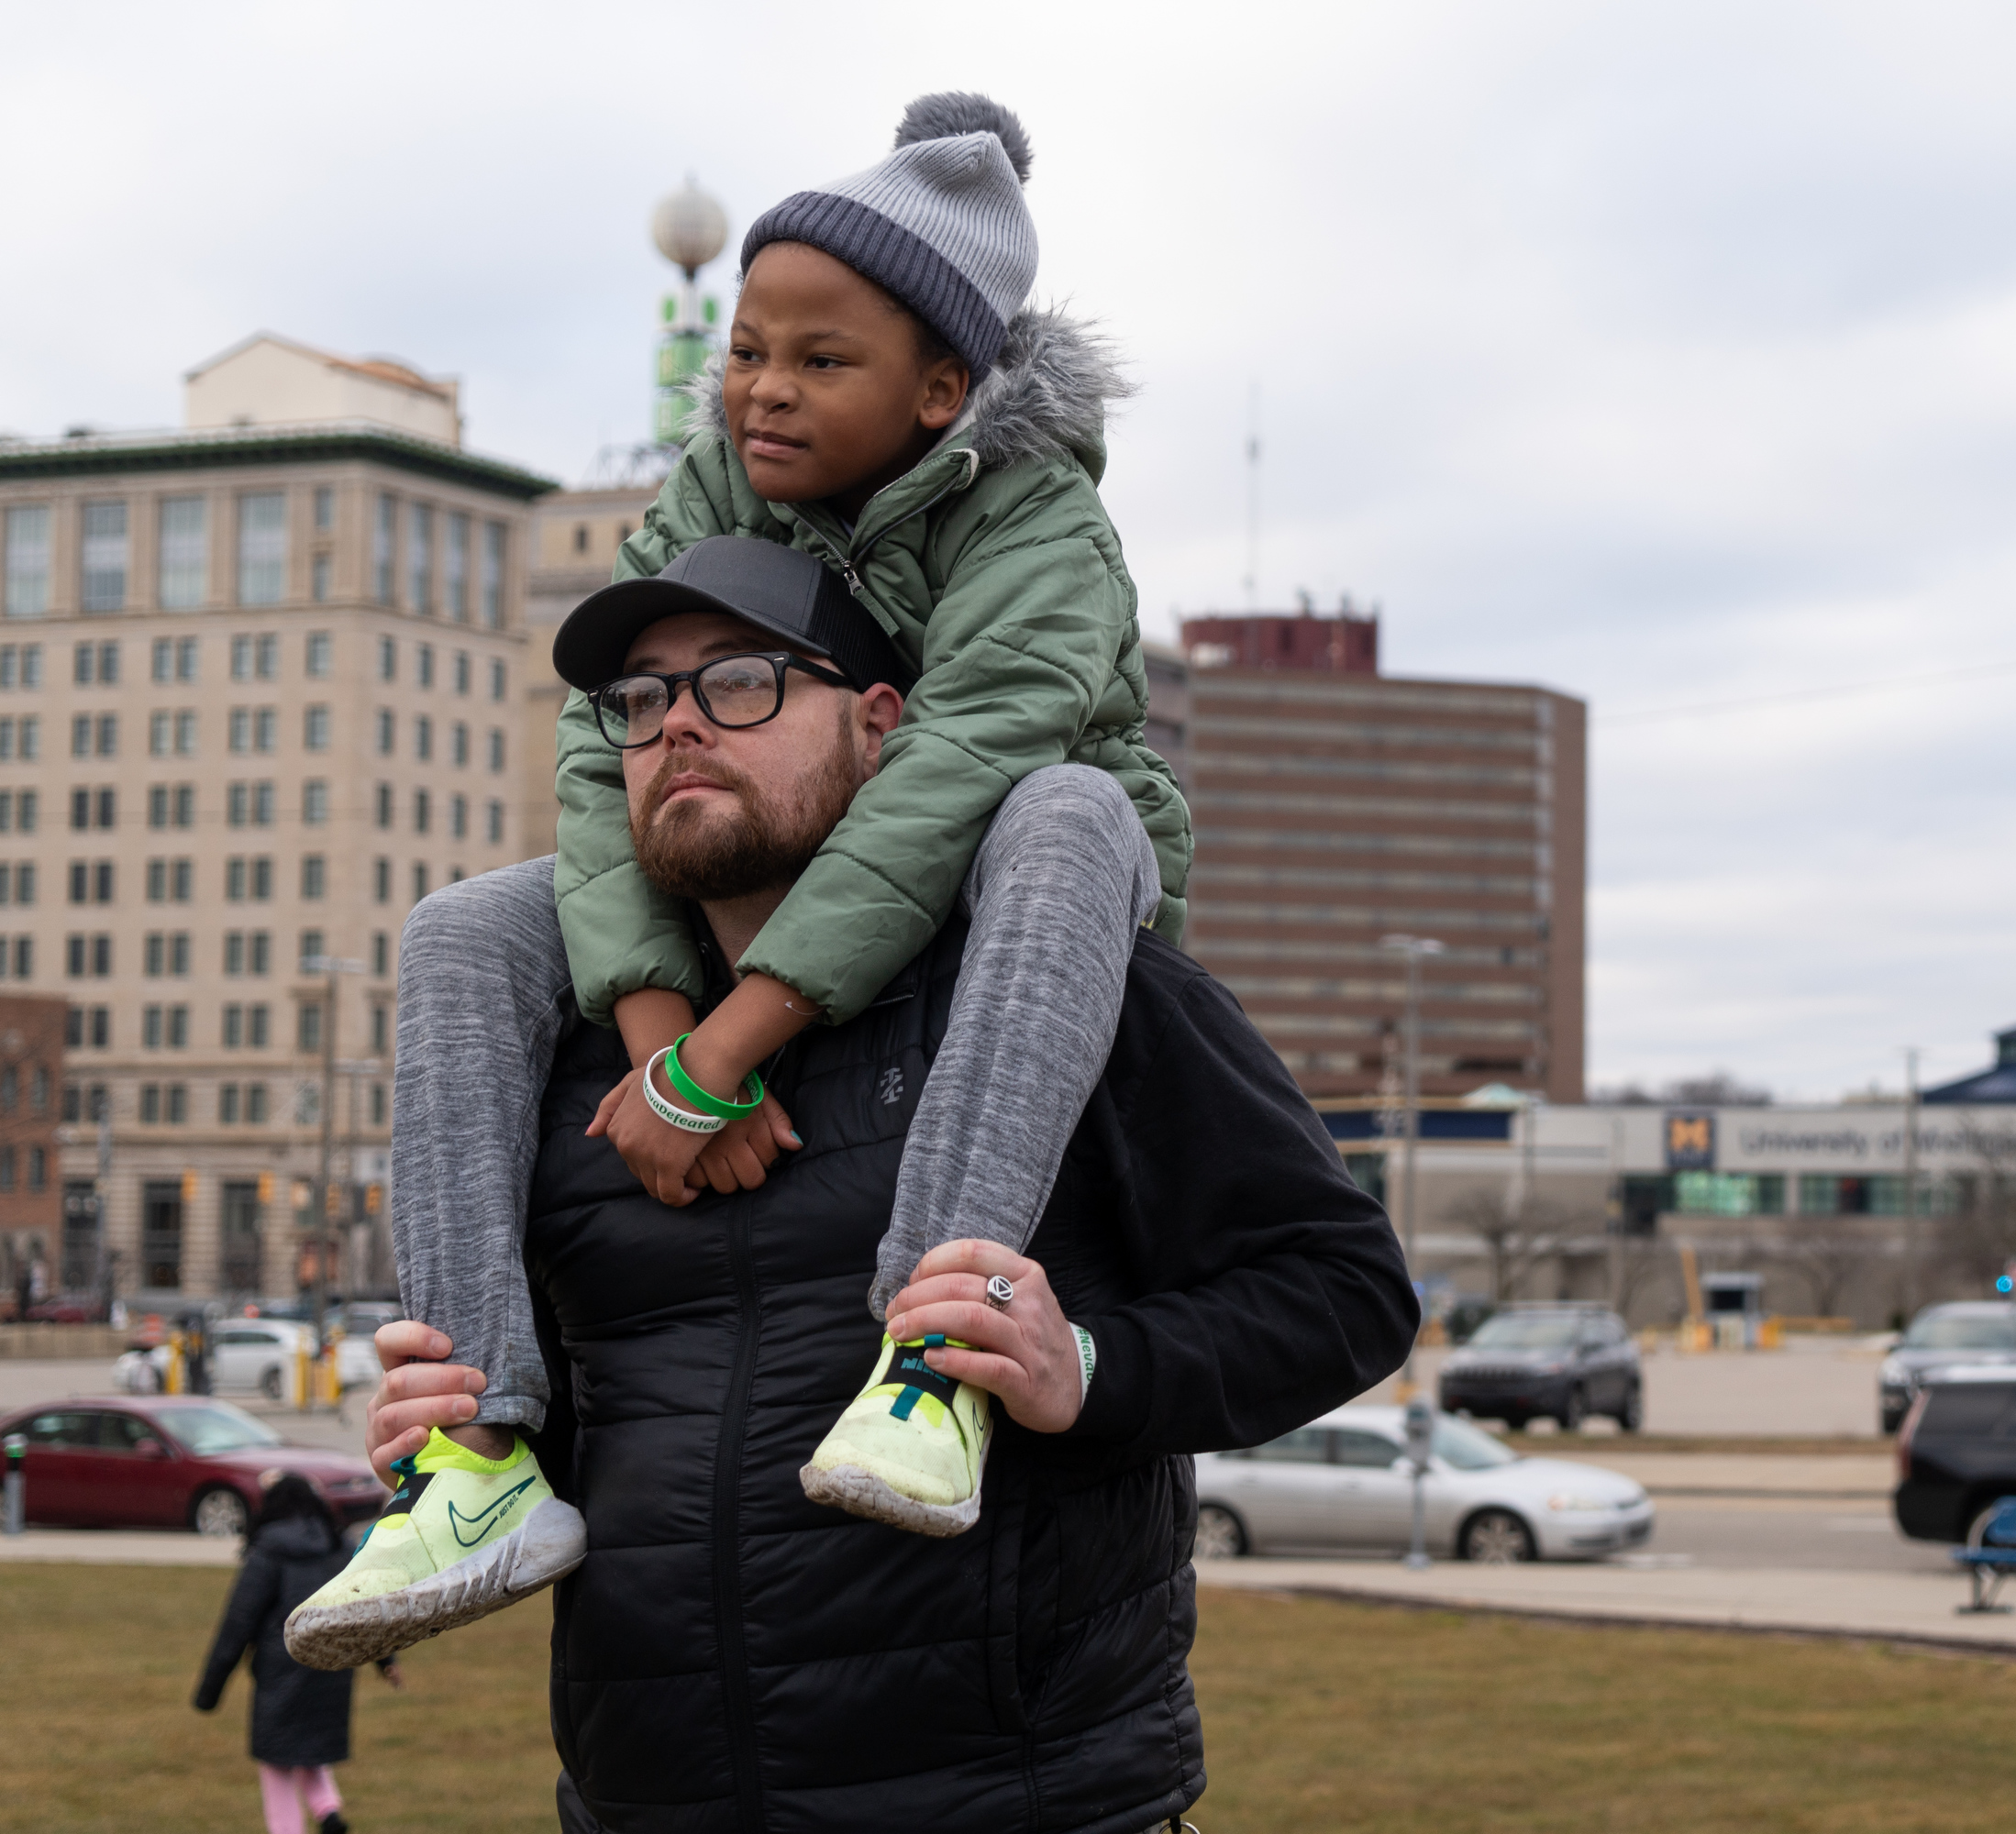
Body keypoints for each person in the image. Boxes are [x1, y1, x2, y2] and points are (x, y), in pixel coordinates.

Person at [283, 87, 1195, 1666]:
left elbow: (946, 791)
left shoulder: (1045, 529)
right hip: (777, 864)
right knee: (464, 925)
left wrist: (720, 1055)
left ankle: (933, 1358)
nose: (764, 392)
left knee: (1061, 810)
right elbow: (600, 752)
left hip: (1010, 871)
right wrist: (652, 1040)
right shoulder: (716, 482)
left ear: (941, 393)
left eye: (820, 363)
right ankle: (477, 1454)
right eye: (749, 349)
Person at [316, 575, 1415, 1830]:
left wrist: (1087, 1370)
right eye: (642, 697)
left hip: (1025, 1806)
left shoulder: (1062, 994)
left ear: (880, 724)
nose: (679, 723)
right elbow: (641, 1424)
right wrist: (469, 1418)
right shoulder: (576, 1065)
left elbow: (1345, 1292)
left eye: (740, 681)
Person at [195, 1472, 401, 1834]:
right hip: (333, 1669)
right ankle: (329, 1813)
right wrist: (387, 1661)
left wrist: (208, 1693)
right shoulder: (340, 1546)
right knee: (310, 1750)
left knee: (277, 1763)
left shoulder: (268, 1552)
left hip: (281, 1673)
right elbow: (366, 1608)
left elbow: (237, 1625)